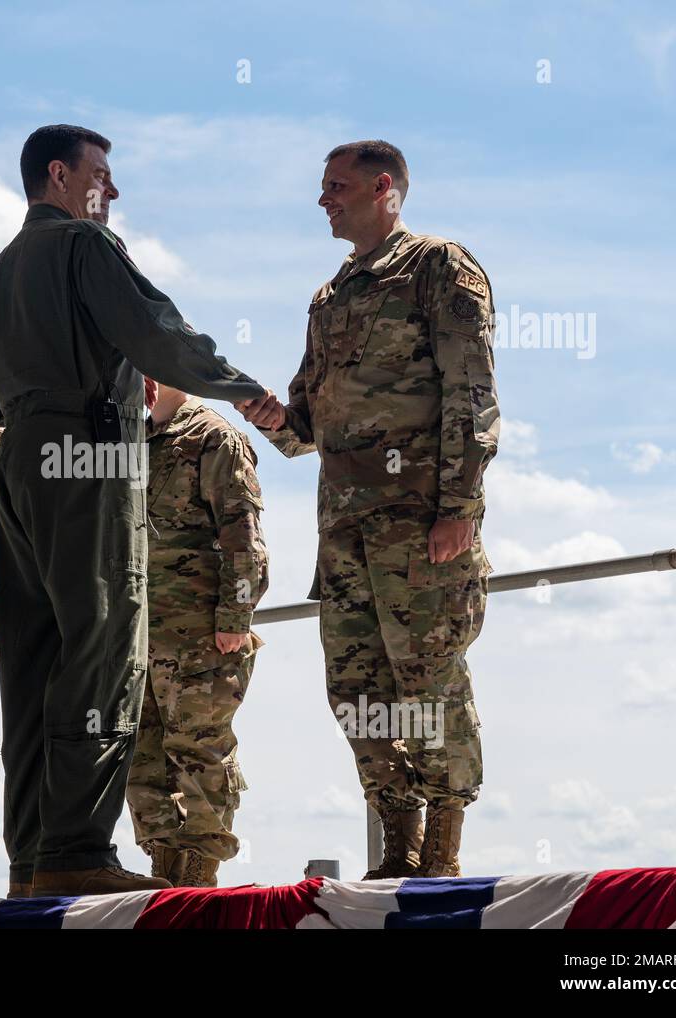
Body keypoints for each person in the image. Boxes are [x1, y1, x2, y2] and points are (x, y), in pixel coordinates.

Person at [0, 123, 272, 898]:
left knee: (35, 660)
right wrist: (244, 389)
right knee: (103, 643)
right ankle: (77, 847)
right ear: (62, 176)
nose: (115, 191)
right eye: (104, 174)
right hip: (90, 454)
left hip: (21, 466)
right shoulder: (85, 248)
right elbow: (158, 336)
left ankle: (35, 856)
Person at [242, 140, 499, 878]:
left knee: (428, 679)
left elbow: (472, 394)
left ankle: (442, 854)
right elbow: (306, 430)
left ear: (384, 187)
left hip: (420, 523)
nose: (324, 199)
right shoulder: (330, 298)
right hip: (346, 533)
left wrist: (461, 507)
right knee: (359, 692)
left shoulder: (438, 268)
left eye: (337, 186)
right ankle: (397, 849)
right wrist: (269, 417)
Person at [125, 381, 269, 887]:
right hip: (137, 634)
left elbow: (243, 535)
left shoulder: (213, 437)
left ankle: (200, 868)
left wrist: (235, 617)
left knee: (199, 747)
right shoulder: (132, 441)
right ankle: (163, 869)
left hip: (199, 631)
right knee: (142, 754)